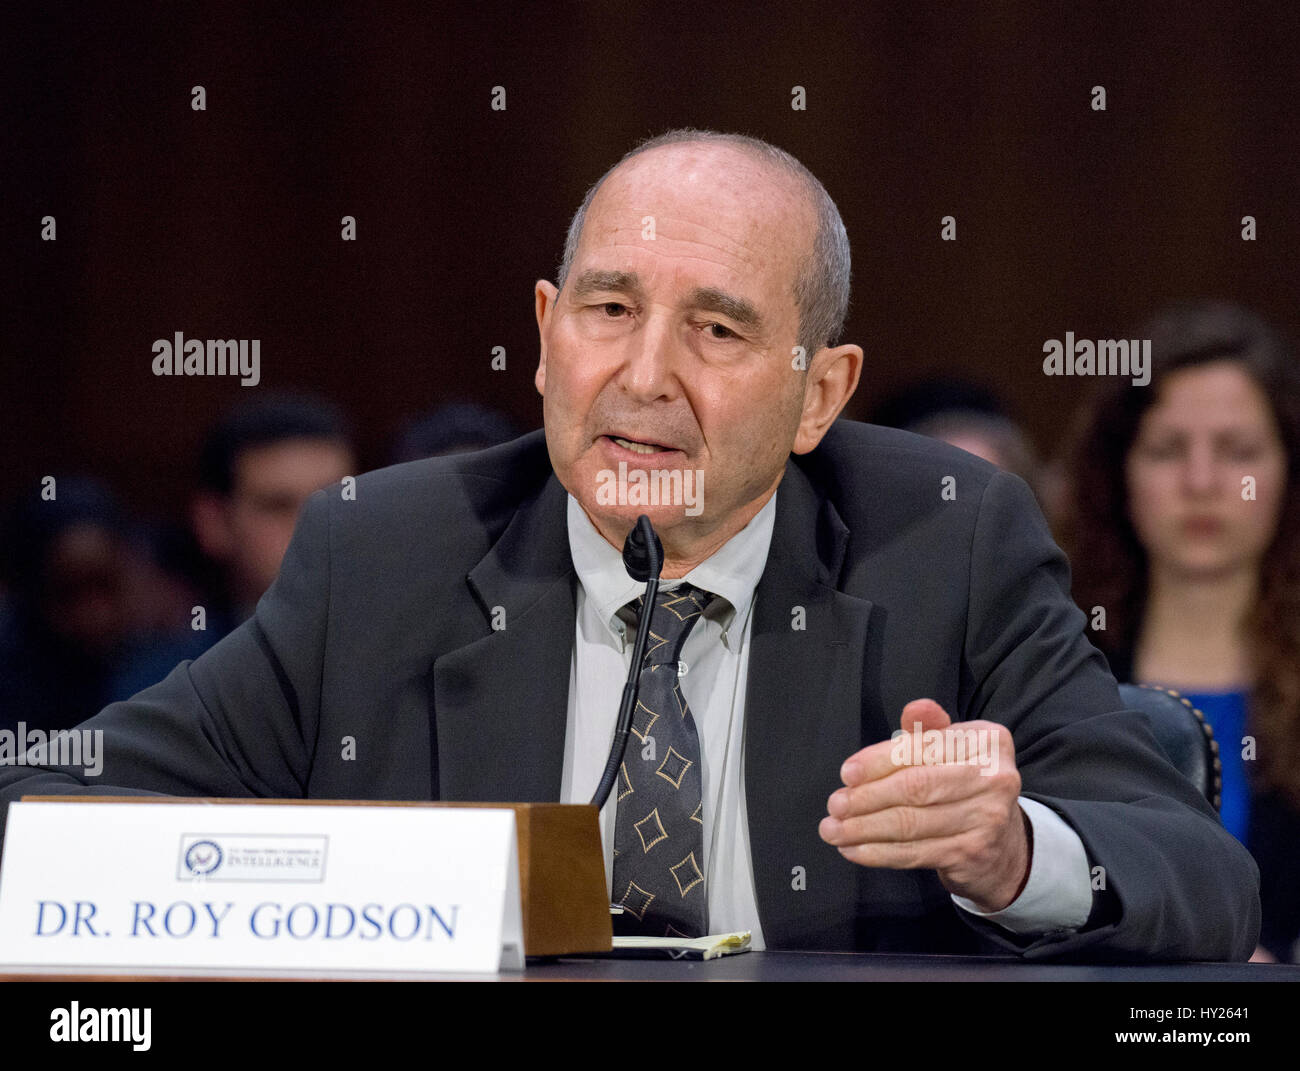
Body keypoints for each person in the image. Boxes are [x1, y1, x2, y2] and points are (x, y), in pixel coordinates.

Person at [0, 130, 1258, 959]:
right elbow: (48, 806)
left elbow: (1200, 878)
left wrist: (1011, 848)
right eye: (608, 310)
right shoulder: (380, 556)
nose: (641, 378)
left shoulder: (946, 539)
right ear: (546, 337)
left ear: (819, 393)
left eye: (716, 331)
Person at [1062, 300, 1300, 961]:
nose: (1202, 482)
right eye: (1167, 450)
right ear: (1119, 474)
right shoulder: (1053, 667)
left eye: (1239, 451)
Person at [110, 394, 356, 698]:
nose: (315, 526)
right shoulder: (162, 691)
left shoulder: (406, 666)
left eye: (335, 502)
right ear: (214, 523)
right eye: (278, 506)